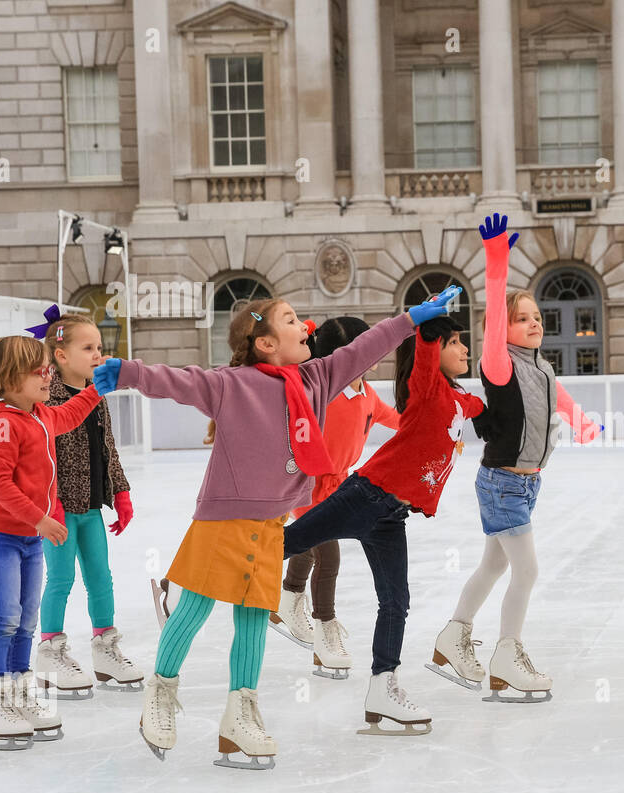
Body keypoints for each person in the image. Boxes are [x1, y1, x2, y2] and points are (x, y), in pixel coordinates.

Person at [92, 290, 457, 768]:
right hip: (222, 518)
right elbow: (179, 380)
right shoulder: (230, 384)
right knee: (194, 610)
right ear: (264, 343)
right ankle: (160, 694)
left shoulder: (317, 378)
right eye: (290, 321)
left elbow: (364, 348)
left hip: (271, 523)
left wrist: (411, 319)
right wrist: (129, 372)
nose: (306, 326)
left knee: (252, 621)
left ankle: (239, 714)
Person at [281, 308, 483, 735]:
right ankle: (188, 584)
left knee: (396, 602)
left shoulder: (458, 399)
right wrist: (427, 331)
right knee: (286, 545)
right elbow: (424, 360)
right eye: (454, 342)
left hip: (391, 514)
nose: (464, 348)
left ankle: (382, 689)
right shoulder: (425, 386)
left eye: (462, 341)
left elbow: (484, 400)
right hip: (364, 495)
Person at [430, 214, 601, 703]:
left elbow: (559, 396)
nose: (534, 323)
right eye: (522, 318)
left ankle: (453, 635)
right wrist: (496, 258)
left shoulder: (541, 366)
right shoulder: (499, 363)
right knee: (526, 571)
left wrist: (584, 422)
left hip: (525, 483)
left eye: (537, 317)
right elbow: (495, 303)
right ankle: (506, 657)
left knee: (495, 568)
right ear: (502, 329)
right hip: (502, 482)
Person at [0, 333, 102, 750]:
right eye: (37, 370)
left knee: (27, 620)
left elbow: (72, 413)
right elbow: (0, 487)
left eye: (48, 367)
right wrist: (41, 519)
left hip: (29, 539)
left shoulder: (41, 415)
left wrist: (100, 386)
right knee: (4, 617)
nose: (48, 375)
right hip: (0, 539)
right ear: (9, 378)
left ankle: (17, 692)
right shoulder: (3, 424)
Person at [274, 316, 402, 678]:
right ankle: (324, 629)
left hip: (340, 485)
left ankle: (289, 595)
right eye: (367, 344)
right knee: (328, 554)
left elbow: (396, 420)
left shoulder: (366, 393)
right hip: (306, 480)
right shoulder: (321, 394)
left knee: (306, 543)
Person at [37, 308, 142, 695]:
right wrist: (50, 502)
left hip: (91, 507)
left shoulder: (97, 395)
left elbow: (108, 448)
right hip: (59, 510)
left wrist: (121, 490)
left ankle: (104, 649)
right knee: (61, 580)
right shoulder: (46, 398)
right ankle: (50, 649)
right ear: (61, 355)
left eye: (100, 347)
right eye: (88, 348)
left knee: (101, 577)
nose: (98, 354)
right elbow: (41, 456)